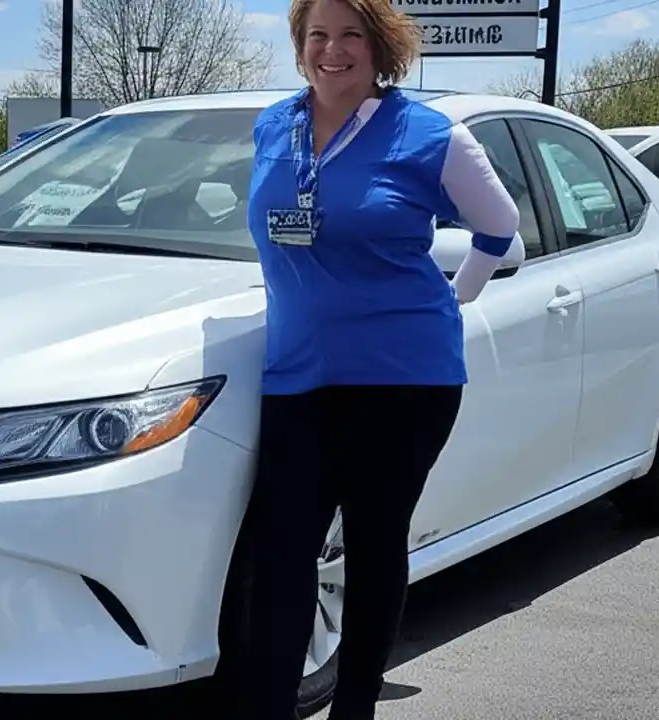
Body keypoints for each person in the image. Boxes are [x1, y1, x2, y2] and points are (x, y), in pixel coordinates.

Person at [235, 0, 520, 717]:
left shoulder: (430, 134)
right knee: (282, 552)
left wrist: (458, 297)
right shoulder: (274, 126)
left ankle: (354, 708)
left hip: (404, 379)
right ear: (300, 45)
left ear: (380, 44)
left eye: (351, 35)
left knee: (370, 542)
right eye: (318, 35)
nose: (333, 51)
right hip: (297, 373)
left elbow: (500, 226)